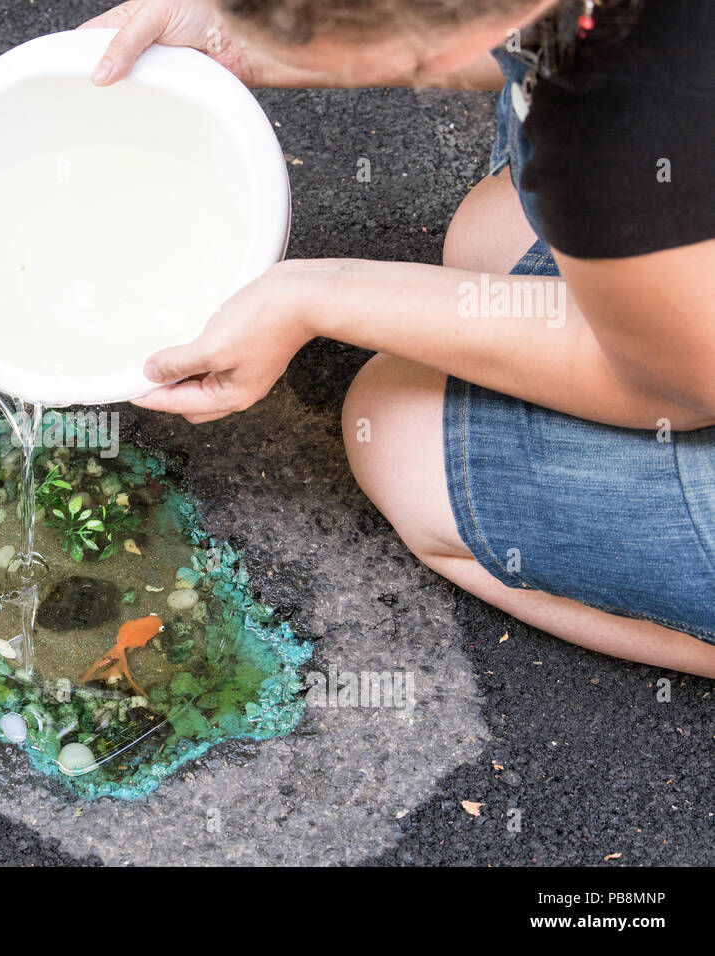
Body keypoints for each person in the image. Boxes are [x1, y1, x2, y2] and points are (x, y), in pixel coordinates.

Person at [81, 0, 715, 676]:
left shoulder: (620, 113)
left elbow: (670, 388)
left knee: (395, 430)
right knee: (488, 238)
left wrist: (316, 295)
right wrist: (237, 34)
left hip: (684, 365)